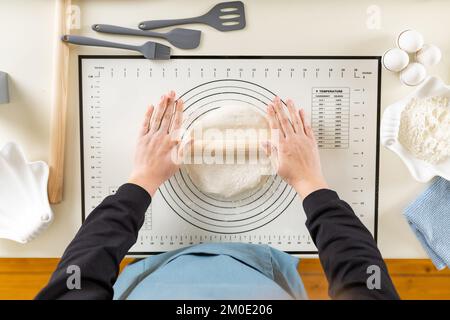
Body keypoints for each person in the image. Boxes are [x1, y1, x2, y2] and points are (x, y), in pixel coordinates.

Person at [36, 91, 399, 300]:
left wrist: (142, 180)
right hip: (264, 271)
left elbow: (77, 280)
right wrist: (311, 183)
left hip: (154, 274)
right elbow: (365, 283)